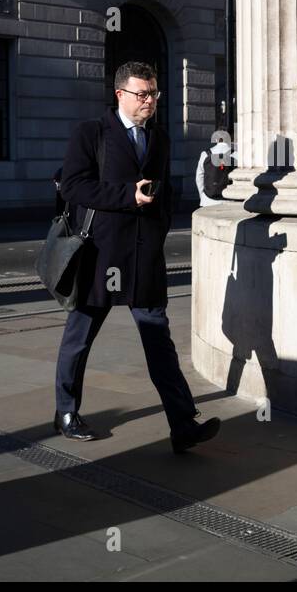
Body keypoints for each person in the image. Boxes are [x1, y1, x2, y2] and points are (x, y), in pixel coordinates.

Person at [54, 61, 220, 452]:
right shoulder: (91, 133)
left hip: (144, 259)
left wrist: (159, 225)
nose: (149, 101)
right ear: (120, 95)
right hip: (99, 256)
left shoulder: (158, 138)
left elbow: (164, 190)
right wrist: (127, 195)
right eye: (142, 94)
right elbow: (74, 187)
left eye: (154, 94)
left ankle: (182, 423)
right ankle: (66, 412)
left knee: (158, 341)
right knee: (79, 338)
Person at [195, 136, 234, 206]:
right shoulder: (235, 154)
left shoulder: (205, 154)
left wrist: (203, 196)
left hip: (208, 200)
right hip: (230, 200)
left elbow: (199, 178)